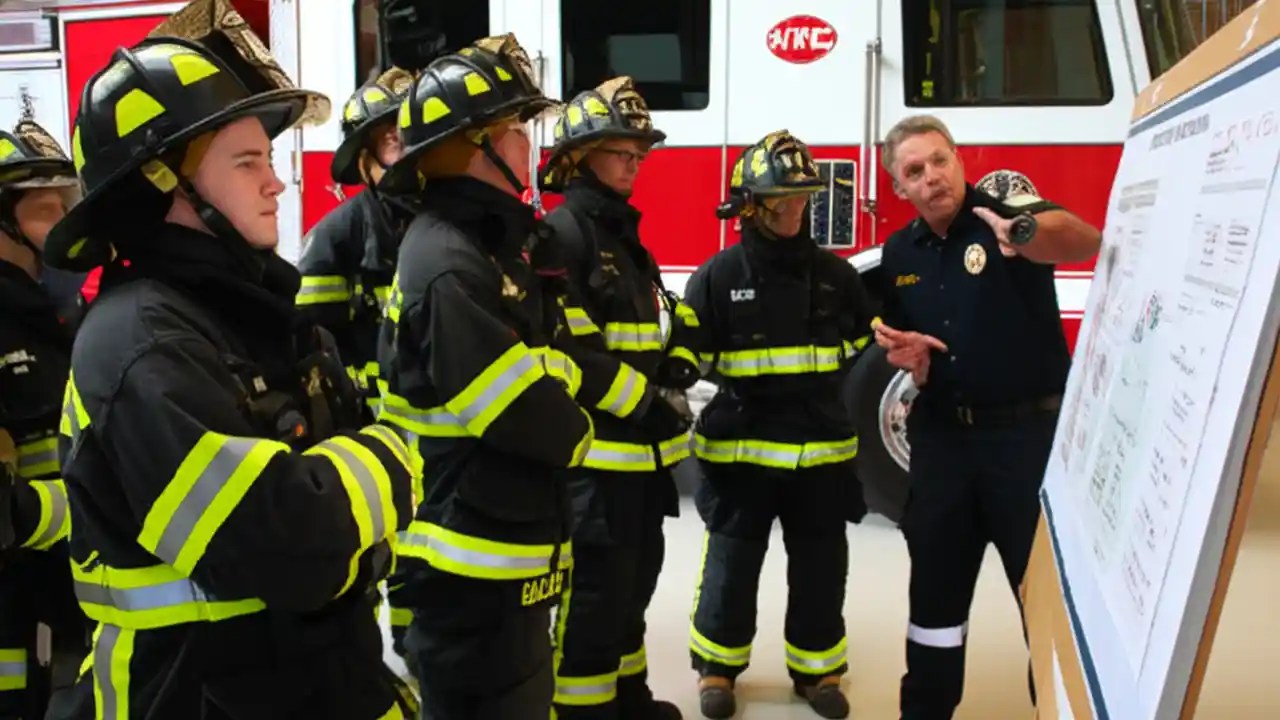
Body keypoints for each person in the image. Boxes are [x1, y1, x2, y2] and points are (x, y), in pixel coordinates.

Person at [39, 12, 416, 719]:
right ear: (160, 183)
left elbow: (336, 502)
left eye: (268, 161)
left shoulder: (253, 313)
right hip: (195, 693)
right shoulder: (140, 343)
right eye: (247, 163)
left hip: (314, 677)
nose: (276, 184)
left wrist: (347, 487)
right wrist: (386, 465)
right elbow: (285, 544)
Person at [374, 33, 595, 719]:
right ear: (478, 145)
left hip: (502, 543)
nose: (532, 145)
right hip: (470, 564)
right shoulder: (446, 258)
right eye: (518, 129)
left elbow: (546, 363)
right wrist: (579, 424)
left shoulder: (482, 243)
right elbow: (518, 410)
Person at [873, 114, 1101, 720]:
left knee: (1046, 602)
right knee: (934, 604)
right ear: (900, 188)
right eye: (914, 172)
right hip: (944, 443)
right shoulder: (899, 253)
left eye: (938, 161)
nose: (931, 179)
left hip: (1025, 443)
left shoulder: (1006, 212)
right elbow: (898, 336)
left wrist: (1023, 232)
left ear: (959, 160)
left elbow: (1083, 240)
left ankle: (1058, 709)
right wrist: (906, 354)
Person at [684, 129, 877, 720]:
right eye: (780, 202)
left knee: (822, 565)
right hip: (742, 453)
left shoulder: (839, 278)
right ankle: (717, 669)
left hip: (819, 454)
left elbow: (867, 343)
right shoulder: (716, 276)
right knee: (732, 564)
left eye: (801, 201)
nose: (794, 213)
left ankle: (818, 673)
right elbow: (689, 352)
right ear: (750, 206)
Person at [537, 76, 697, 720]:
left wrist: (678, 351)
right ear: (577, 156)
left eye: (639, 153)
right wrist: (642, 398)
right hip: (596, 462)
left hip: (639, 461)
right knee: (595, 596)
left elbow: (651, 323)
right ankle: (582, 710)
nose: (634, 163)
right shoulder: (562, 234)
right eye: (620, 151)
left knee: (634, 587)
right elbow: (568, 349)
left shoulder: (621, 235)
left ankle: (627, 697)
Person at [293, 66, 420, 655]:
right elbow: (314, 346)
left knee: (429, 551)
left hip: (436, 425)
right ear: (365, 157)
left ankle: (415, 642)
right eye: (392, 139)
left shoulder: (443, 226)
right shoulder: (337, 238)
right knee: (371, 547)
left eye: (412, 134)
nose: (407, 149)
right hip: (367, 429)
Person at [0, 120, 92, 720]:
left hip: (70, 601)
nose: (63, 225)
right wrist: (94, 505)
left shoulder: (66, 319)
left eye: (66, 206)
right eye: (43, 209)